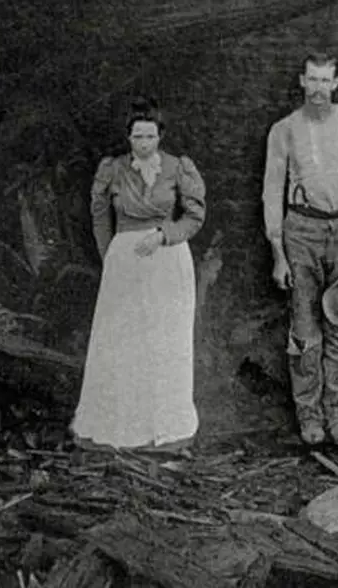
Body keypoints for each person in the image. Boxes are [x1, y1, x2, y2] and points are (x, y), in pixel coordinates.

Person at [72, 99, 205, 451]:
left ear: (160, 136)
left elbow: (194, 217)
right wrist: (113, 257)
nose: (143, 143)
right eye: (137, 136)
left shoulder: (178, 168)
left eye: (150, 136)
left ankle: (164, 422)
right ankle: (121, 424)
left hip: (168, 259)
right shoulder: (113, 169)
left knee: (164, 340)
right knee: (123, 340)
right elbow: (100, 217)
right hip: (126, 261)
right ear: (128, 137)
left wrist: (164, 235)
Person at [263, 54, 338, 447]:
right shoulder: (284, 129)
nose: (317, 88)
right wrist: (277, 250)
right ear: (301, 81)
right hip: (301, 232)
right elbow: (271, 188)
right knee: (304, 330)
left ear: (335, 82)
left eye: (324, 80)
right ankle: (309, 415)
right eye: (311, 79)